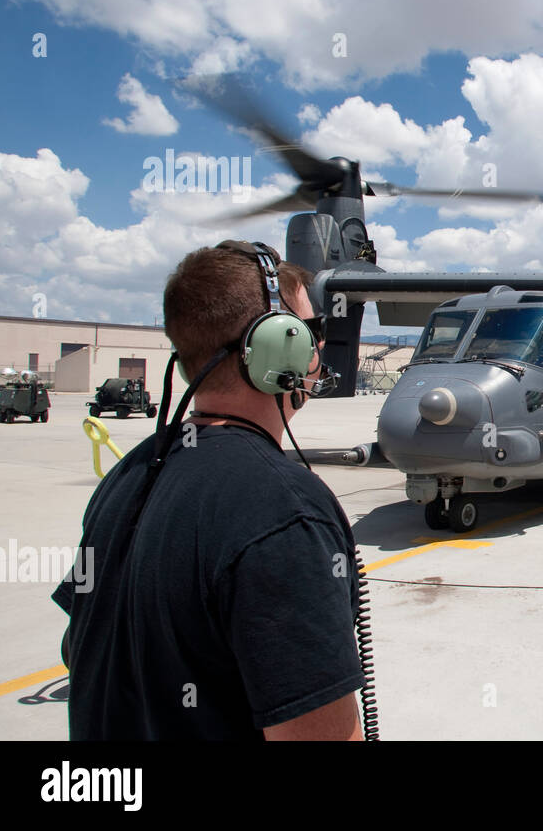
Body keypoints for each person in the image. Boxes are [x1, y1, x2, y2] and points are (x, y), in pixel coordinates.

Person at [53, 242, 366, 740]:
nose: (320, 346)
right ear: (278, 346)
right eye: (312, 330)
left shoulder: (131, 473)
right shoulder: (285, 511)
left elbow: (77, 647)